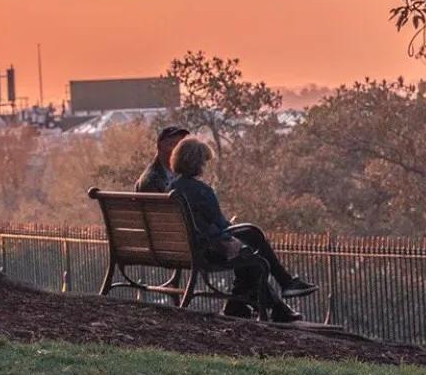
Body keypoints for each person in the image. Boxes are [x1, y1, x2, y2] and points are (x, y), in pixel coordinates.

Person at [136, 129, 317, 305]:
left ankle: (253, 303)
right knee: (253, 244)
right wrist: (228, 233)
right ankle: (277, 288)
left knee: (249, 243)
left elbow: (194, 221)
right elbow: (219, 225)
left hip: (187, 244)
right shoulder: (202, 191)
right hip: (203, 249)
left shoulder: (172, 188)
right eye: (204, 163)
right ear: (198, 164)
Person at [135, 125, 190, 193]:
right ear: (160, 146)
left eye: (181, 146)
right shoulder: (150, 180)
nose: (178, 150)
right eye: (173, 144)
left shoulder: (184, 174)